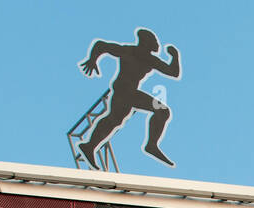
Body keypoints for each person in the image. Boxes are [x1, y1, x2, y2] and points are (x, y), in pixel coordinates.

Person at [78, 28, 181, 168]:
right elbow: (101, 45)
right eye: (153, 42)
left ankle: (90, 146)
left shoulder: (150, 59)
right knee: (117, 119)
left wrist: (174, 56)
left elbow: (173, 72)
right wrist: (92, 60)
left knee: (115, 119)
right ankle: (90, 146)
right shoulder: (129, 51)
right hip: (123, 91)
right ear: (145, 43)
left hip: (130, 92)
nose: (156, 45)